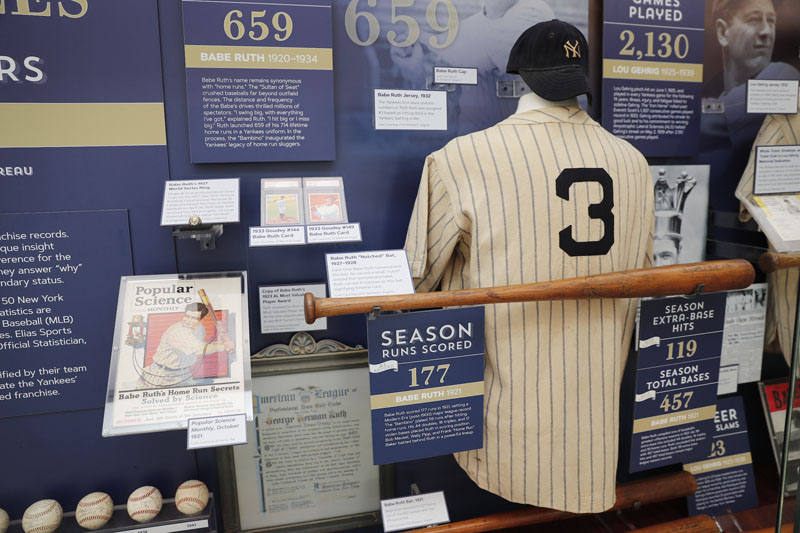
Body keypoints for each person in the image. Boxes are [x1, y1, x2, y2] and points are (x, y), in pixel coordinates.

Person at [403, 20, 654, 513]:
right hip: (595, 414)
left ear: (520, 75)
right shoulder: (634, 162)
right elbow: (640, 278)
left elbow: (416, 280)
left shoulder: (461, 159)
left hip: (507, 419)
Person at [700, 0, 800, 210]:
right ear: (722, 32)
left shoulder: (785, 76)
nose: (766, 31)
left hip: (756, 232)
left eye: (771, 21)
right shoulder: (712, 89)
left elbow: (708, 121)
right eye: (754, 20)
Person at [137, 302, 234, 389]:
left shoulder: (199, 328)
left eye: (194, 318)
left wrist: (217, 343)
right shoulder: (178, 332)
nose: (188, 320)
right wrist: (223, 347)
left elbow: (200, 344)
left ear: (202, 319)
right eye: (187, 316)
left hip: (183, 373)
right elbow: (200, 349)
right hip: (162, 374)